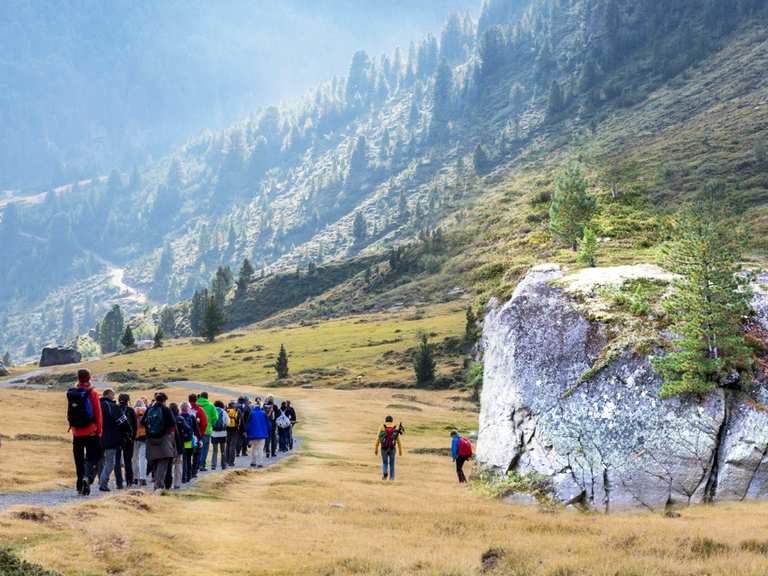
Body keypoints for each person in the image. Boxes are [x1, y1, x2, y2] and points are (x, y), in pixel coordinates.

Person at [68, 369, 103, 496]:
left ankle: (79, 483)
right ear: (89, 378)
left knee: (78, 459)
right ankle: (87, 478)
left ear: (78, 378)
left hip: (77, 432)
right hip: (91, 431)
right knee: (93, 457)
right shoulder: (92, 393)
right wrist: (99, 431)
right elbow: (98, 414)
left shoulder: (72, 393)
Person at [141, 392, 177, 491]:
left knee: (155, 462)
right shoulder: (166, 409)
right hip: (163, 439)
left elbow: (142, 422)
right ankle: (158, 486)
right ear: (165, 400)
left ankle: (157, 483)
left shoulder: (149, 409)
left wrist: (150, 429)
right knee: (163, 462)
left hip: (150, 440)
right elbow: (172, 423)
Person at [99, 388, 131, 491]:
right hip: (112, 439)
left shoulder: (97, 405)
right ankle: (103, 483)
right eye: (113, 395)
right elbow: (123, 423)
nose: (114, 397)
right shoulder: (112, 406)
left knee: (97, 460)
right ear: (109, 395)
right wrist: (128, 432)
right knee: (111, 462)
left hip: (97, 437)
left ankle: (89, 478)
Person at [115, 393, 137, 488]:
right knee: (128, 461)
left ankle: (119, 483)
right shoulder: (131, 410)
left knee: (117, 461)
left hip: (117, 439)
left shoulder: (115, 409)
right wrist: (133, 437)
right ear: (128, 400)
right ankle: (129, 481)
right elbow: (135, 426)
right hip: (128, 439)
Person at [374, 416, 402, 481]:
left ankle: (385, 473)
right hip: (392, 448)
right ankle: (392, 478)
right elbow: (398, 440)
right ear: (392, 421)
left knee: (384, 462)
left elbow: (378, 438)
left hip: (383, 448)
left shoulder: (382, 427)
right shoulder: (394, 427)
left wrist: (376, 448)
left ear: (385, 420)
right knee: (392, 464)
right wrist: (400, 450)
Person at [178, 402, 199, 484]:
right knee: (188, 458)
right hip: (189, 441)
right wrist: (199, 439)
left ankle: (183, 477)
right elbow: (196, 430)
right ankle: (188, 476)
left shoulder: (178, 417)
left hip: (180, 441)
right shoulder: (192, 417)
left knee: (183, 459)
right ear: (188, 408)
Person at [196, 392, 217, 471]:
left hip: (196, 430)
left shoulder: (196, 405)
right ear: (207, 397)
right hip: (207, 430)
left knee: (197, 448)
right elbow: (215, 417)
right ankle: (202, 465)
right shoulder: (211, 405)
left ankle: (196, 464)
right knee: (205, 448)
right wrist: (211, 423)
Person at [245, 404, 271, 468]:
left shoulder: (252, 413)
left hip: (253, 435)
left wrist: (247, 432)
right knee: (261, 449)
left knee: (254, 448)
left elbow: (248, 424)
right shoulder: (264, 413)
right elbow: (268, 424)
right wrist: (268, 431)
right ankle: (260, 463)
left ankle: (253, 462)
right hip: (262, 434)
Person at [188, 394, 208, 475]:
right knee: (197, 453)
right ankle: (194, 471)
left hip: (187, 436)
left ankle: (187, 471)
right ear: (196, 400)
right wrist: (201, 433)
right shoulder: (200, 409)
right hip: (197, 436)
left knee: (188, 453)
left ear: (189, 400)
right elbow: (204, 423)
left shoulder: (186, 408)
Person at [210, 400, 230, 470]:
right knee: (223, 450)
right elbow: (228, 422)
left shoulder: (213, 411)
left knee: (215, 451)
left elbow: (210, 421)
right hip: (222, 434)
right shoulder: (224, 412)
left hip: (214, 434)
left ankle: (213, 465)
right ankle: (223, 465)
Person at [132, 400, 148, 486]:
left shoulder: (132, 411)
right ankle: (143, 478)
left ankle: (135, 477)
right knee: (142, 458)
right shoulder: (146, 411)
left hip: (134, 437)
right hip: (144, 437)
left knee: (134, 458)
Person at [168, 403, 184, 489]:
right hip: (179, 444)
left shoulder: (166, 419)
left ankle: (168, 482)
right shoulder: (180, 419)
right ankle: (177, 483)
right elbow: (188, 429)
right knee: (178, 464)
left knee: (168, 465)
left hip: (167, 446)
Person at [225, 401, 241, 467]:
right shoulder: (237, 410)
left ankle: (226, 460)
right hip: (235, 430)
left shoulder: (226, 410)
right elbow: (240, 420)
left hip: (227, 429)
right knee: (232, 446)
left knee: (227, 445)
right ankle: (231, 462)